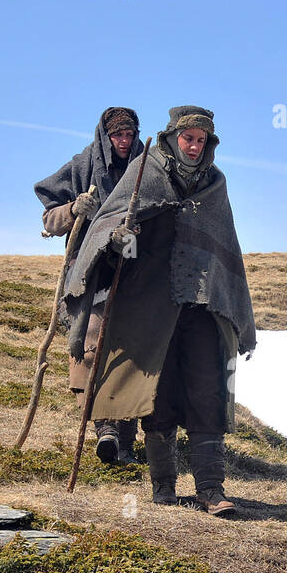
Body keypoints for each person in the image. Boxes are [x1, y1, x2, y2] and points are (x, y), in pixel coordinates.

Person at [63, 106, 256, 516]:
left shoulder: (214, 185)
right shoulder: (143, 172)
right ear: (172, 138)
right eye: (189, 138)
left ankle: (211, 489)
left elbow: (225, 249)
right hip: (151, 305)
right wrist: (119, 239)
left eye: (202, 141)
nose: (194, 146)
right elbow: (116, 241)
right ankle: (163, 487)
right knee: (158, 393)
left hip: (202, 306)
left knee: (209, 390)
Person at [36, 107, 143, 464]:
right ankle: (105, 428)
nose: (125, 142)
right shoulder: (82, 167)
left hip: (136, 270)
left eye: (130, 135)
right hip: (90, 272)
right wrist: (73, 209)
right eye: (118, 136)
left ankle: (126, 438)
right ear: (105, 136)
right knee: (93, 343)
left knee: (131, 351)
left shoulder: (147, 168)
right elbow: (50, 221)